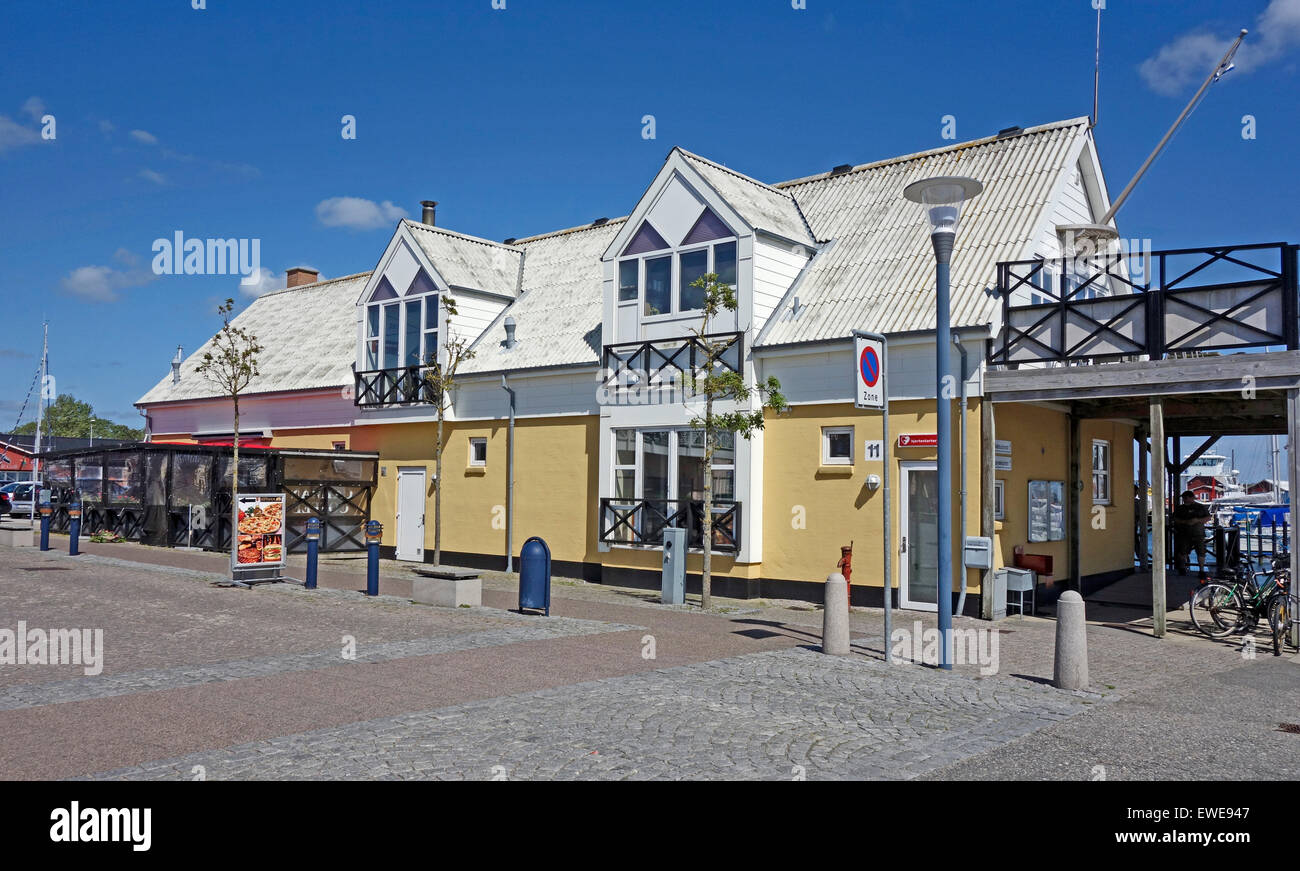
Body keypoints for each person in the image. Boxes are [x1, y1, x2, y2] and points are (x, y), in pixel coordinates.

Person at [1172, 490, 1212, 576]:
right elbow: (1175, 518)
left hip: (1198, 533)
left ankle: (1201, 570)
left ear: (1191, 498)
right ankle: (1182, 569)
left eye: (1186, 497)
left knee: (1201, 552)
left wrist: (1197, 520)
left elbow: (1208, 517)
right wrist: (1185, 522)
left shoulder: (1200, 507)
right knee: (1183, 552)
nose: (1184, 499)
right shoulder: (1180, 508)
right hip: (1184, 534)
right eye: (1183, 498)